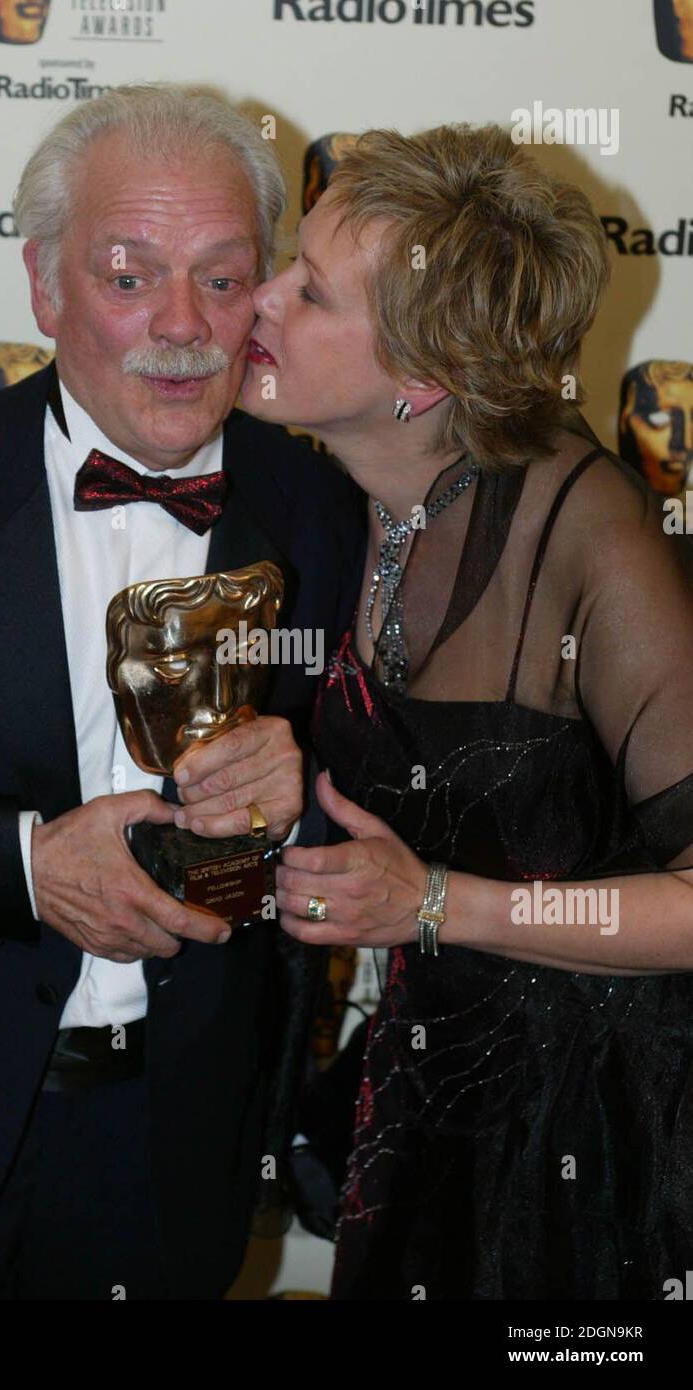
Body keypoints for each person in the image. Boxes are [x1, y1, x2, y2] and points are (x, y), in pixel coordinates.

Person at [0, 84, 364, 1300]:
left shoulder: (326, 511)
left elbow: (399, 828)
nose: (180, 325)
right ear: (43, 284)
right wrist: (22, 865)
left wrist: (304, 797)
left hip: (172, 1154)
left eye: (223, 279)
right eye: (129, 275)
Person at [240, 122, 693, 1300]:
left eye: (310, 292)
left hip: (607, 1127)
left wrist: (442, 903)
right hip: (429, 1090)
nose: (261, 300)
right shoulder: (332, 497)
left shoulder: (590, 538)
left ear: (421, 378)